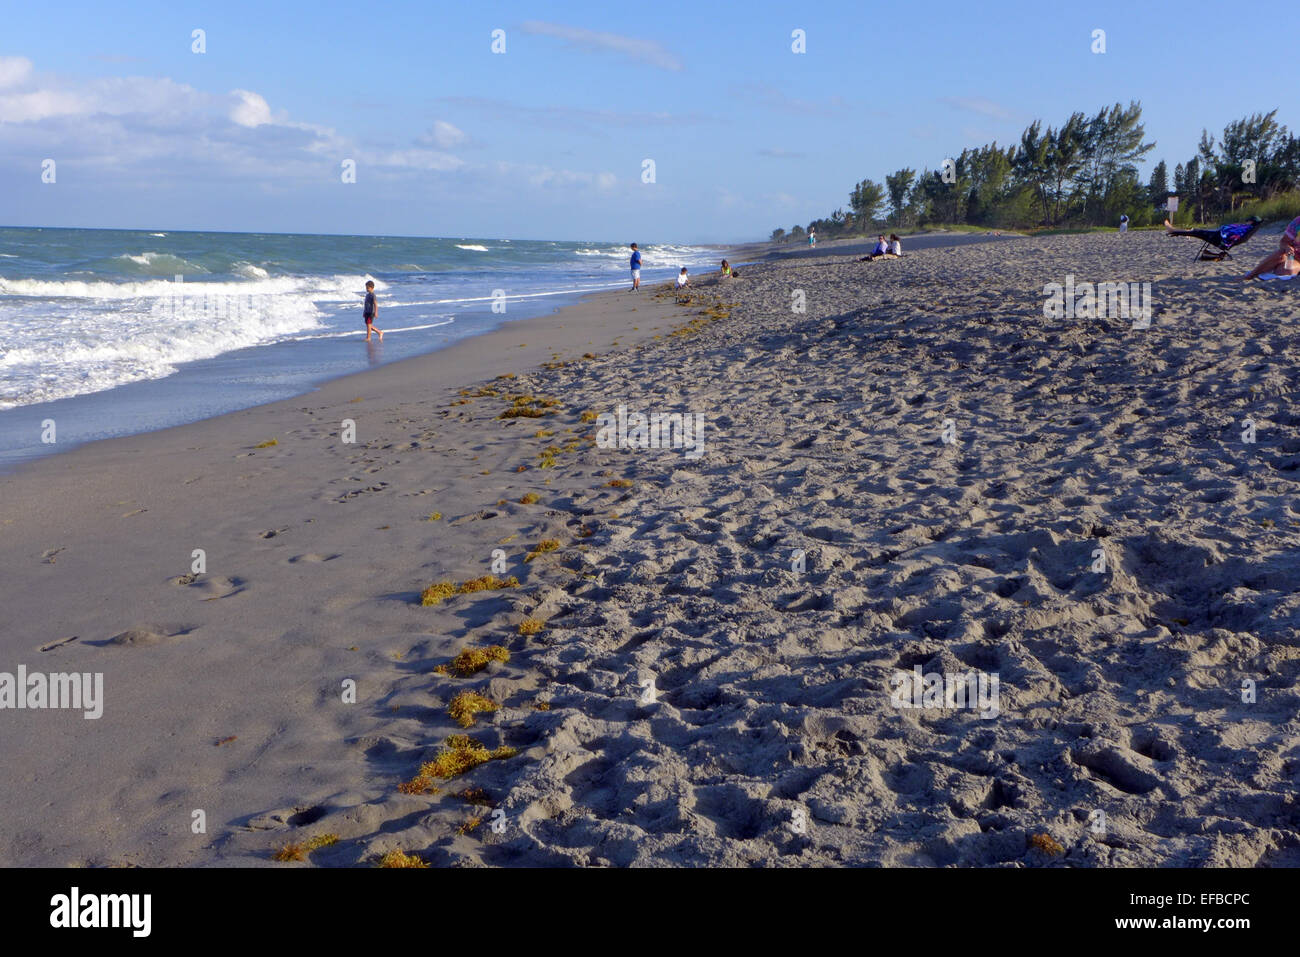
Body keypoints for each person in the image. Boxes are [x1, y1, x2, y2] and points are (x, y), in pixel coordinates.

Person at [1242, 215, 1300, 279]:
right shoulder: (1298, 222)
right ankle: (1251, 275)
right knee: (1283, 264)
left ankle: (1267, 269)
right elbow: (1284, 242)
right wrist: (1287, 247)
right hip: (1295, 258)